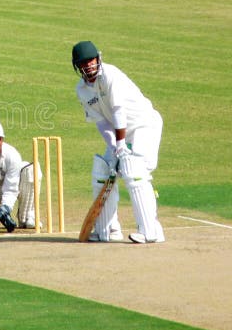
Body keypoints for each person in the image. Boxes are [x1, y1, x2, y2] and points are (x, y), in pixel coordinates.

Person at [71, 41, 165, 243]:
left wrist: (121, 144)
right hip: (120, 133)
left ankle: (151, 231)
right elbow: (102, 122)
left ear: (98, 58)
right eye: (84, 63)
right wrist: (114, 146)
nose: (89, 65)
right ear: (77, 66)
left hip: (143, 126)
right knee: (103, 170)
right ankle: (109, 231)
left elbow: (118, 111)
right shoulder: (82, 90)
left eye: (91, 60)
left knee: (134, 171)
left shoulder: (110, 75)